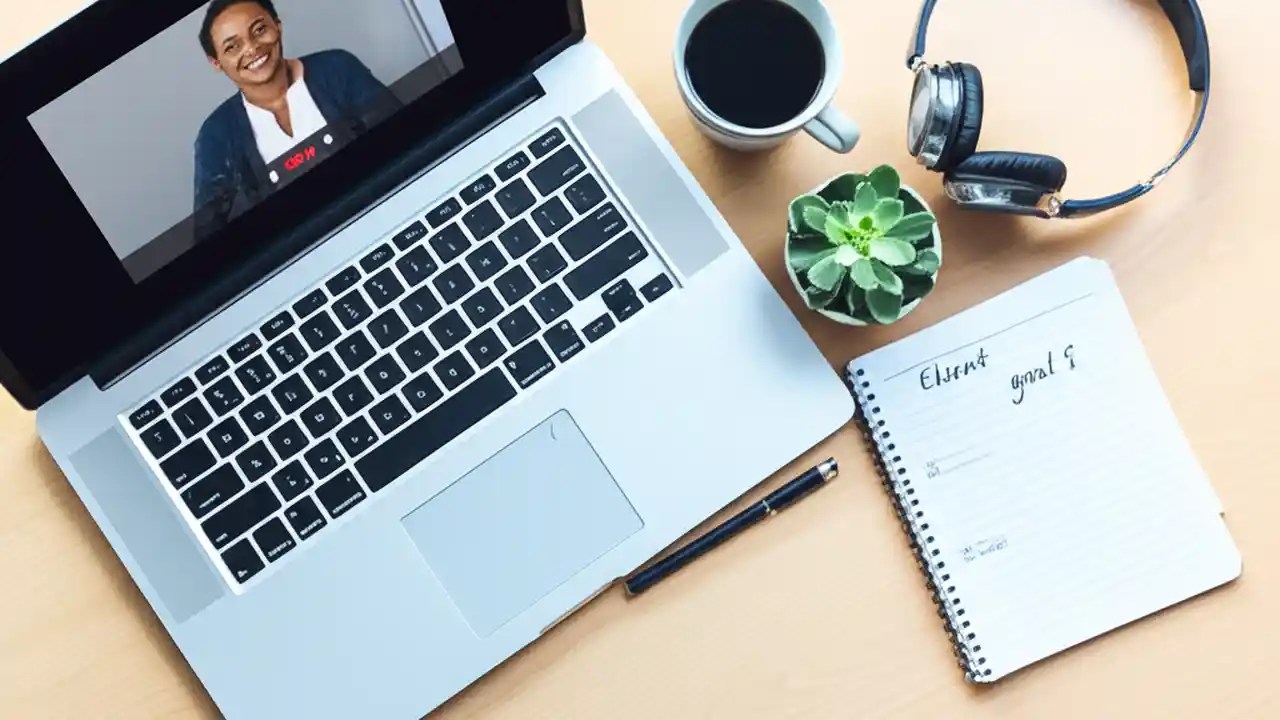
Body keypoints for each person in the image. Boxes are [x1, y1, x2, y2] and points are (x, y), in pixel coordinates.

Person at [193, 0, 401, 239]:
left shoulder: (338, 69)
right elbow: (210, 238)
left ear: (278, 26)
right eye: (232, 47)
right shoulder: (215, 135)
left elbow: (403, 138)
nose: (251, 49)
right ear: (216, 63)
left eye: (259, 30)